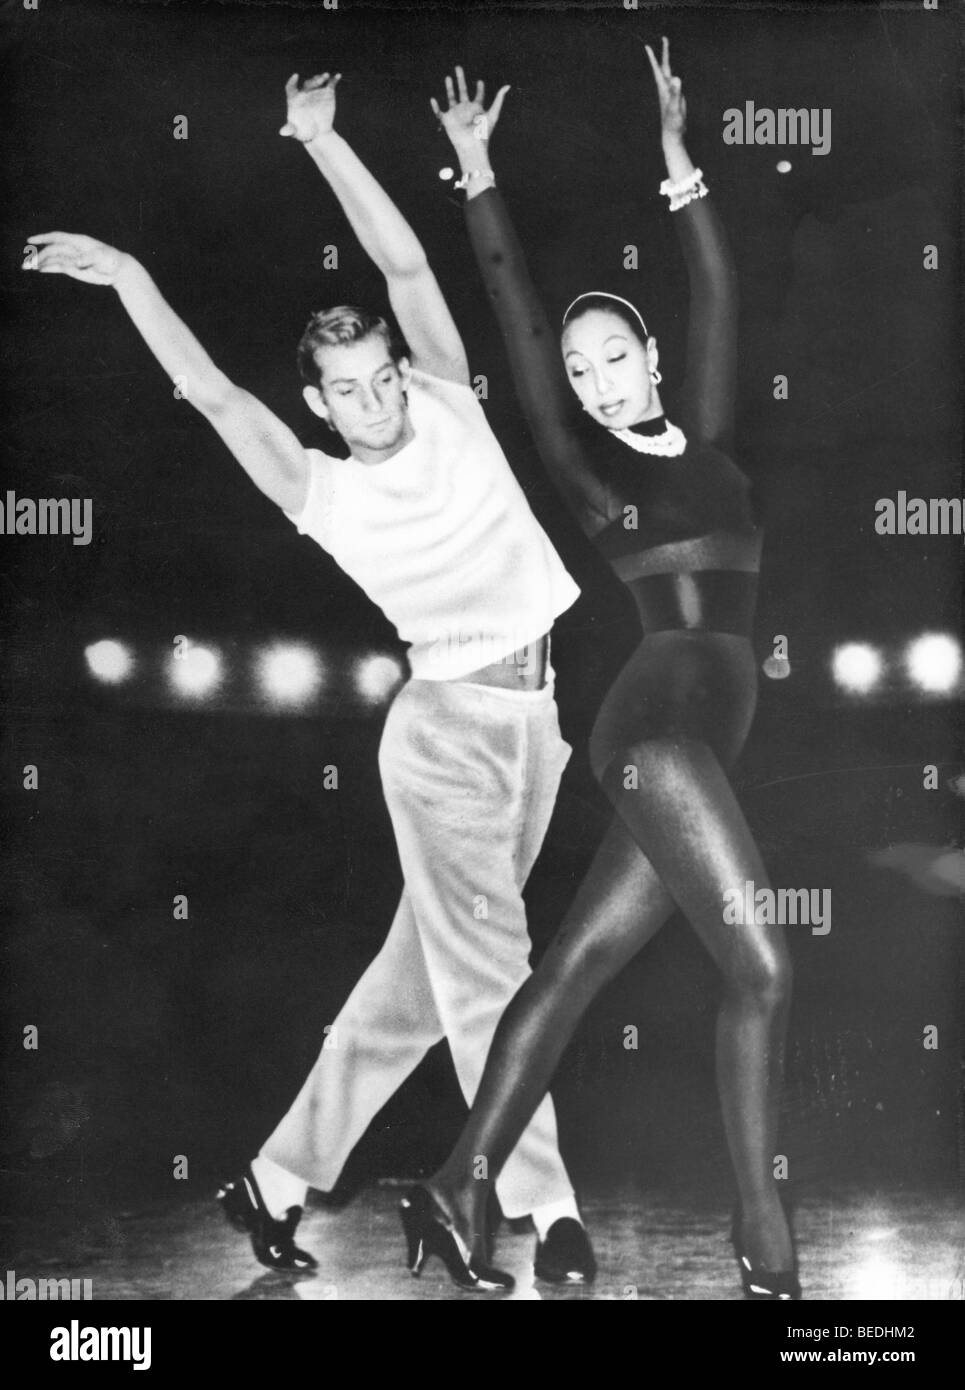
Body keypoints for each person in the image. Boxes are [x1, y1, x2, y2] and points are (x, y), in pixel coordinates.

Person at [23, 71, 596, 1289]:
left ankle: (275, 1178)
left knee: (415, 989)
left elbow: (404, 274)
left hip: (536, 725)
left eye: (383, 375)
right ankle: (539, 1207)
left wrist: (321, 144)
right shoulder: (316, 488)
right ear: (317, 403)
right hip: (441, 737)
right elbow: (213, 393)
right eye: (348, 389)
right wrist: (132, 278)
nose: (377, 400)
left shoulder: (445, 398)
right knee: (497, 972)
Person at [407, 42, 800, 1299]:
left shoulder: (719, 436)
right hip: (651, 732)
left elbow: (717, 286)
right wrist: (475, 177)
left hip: (690, 744)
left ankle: (456, 1179)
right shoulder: (589, 471)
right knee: (764, 966)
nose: (588, 374)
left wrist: (681, 164)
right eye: (576, 370)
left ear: (648, 355)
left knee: (572, 967)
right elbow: (517, 320)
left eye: (607, 354)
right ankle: (761, 1231)